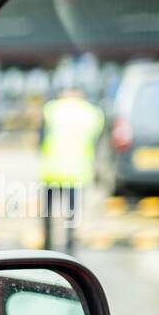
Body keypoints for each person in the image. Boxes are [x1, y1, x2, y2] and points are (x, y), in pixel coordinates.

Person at [38, 86, 104, 252]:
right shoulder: (92, 113)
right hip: (77, 172)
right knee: (72, 213)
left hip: (52, 170)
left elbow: (41, 138)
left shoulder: (51, 109)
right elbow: (96, 141)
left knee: (47, 212)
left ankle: (47, 245)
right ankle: (70, 248)